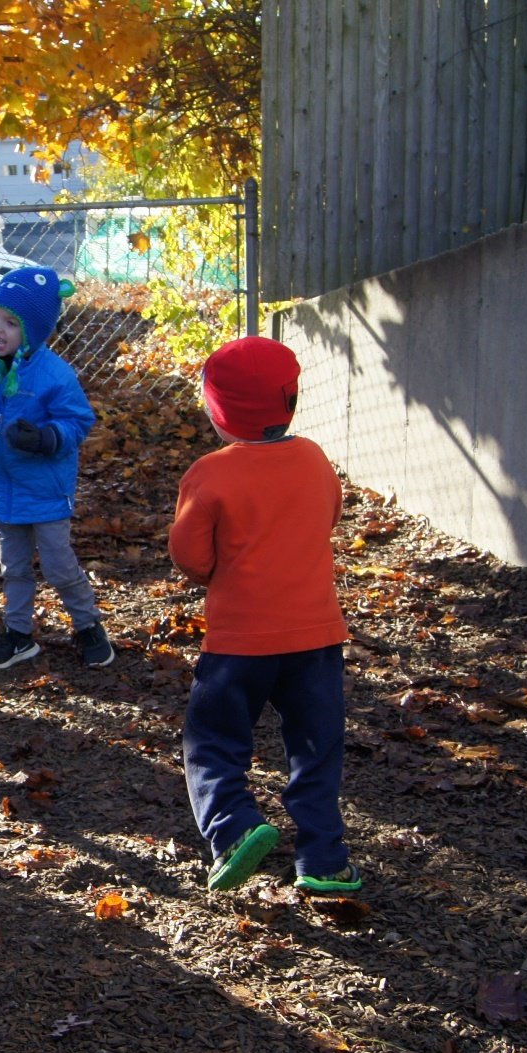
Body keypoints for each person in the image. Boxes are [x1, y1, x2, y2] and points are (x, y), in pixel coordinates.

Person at [168, 335, 361, 894]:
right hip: (316, 637)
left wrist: (219, 570)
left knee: (212, 739)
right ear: (289, 401)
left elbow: (190, 555)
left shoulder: (209, 473)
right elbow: (329, 515)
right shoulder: (315, 459)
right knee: (316, 746)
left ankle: (233, 825)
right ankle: (324, 858)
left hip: (239, 641)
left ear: (218, 411)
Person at [0, 265, 114, 670]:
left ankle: (89, 626)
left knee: (59, 566)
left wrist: (45, 438)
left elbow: (77, 420)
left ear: (34, 330)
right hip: (2, 487)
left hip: (45, 488)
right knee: (14, 568)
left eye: (11, 322)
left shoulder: (54, 374)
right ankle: (18, 634)